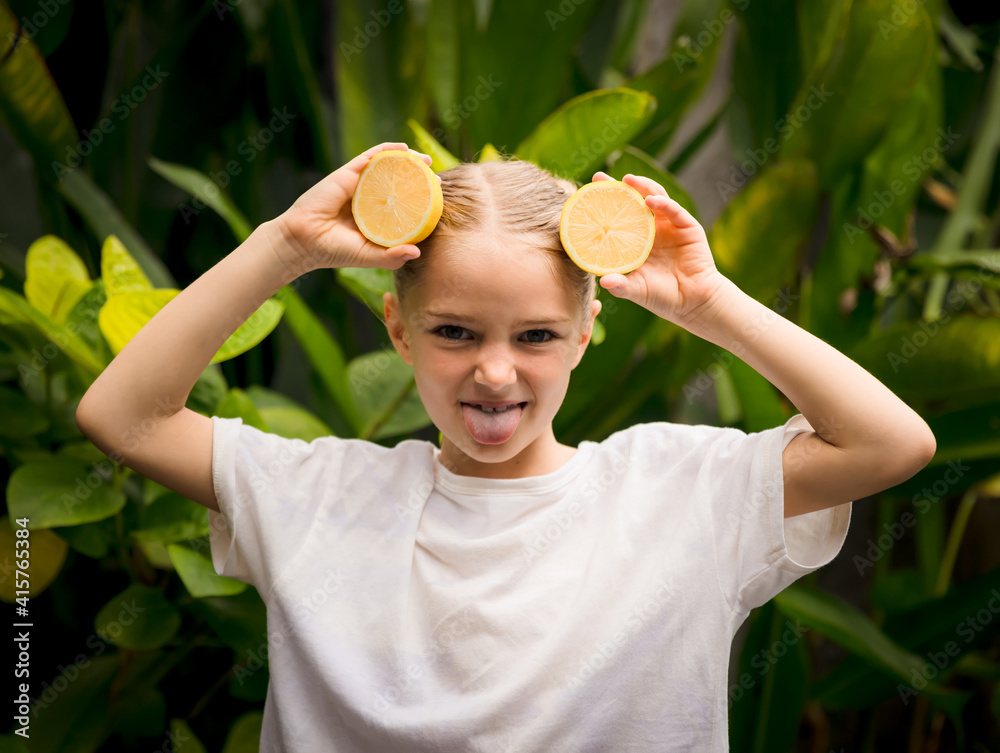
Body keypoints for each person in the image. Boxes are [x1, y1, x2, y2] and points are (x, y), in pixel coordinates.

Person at [75, 141, 937, 752]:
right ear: (398, 330)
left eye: (534, 335)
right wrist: (286, 245)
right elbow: (125, 418)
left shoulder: (680, 491)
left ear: (586, 330)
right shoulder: (319, 494)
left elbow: (892, 443)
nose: (494, 372)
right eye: (454, 331)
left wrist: (708, 304)